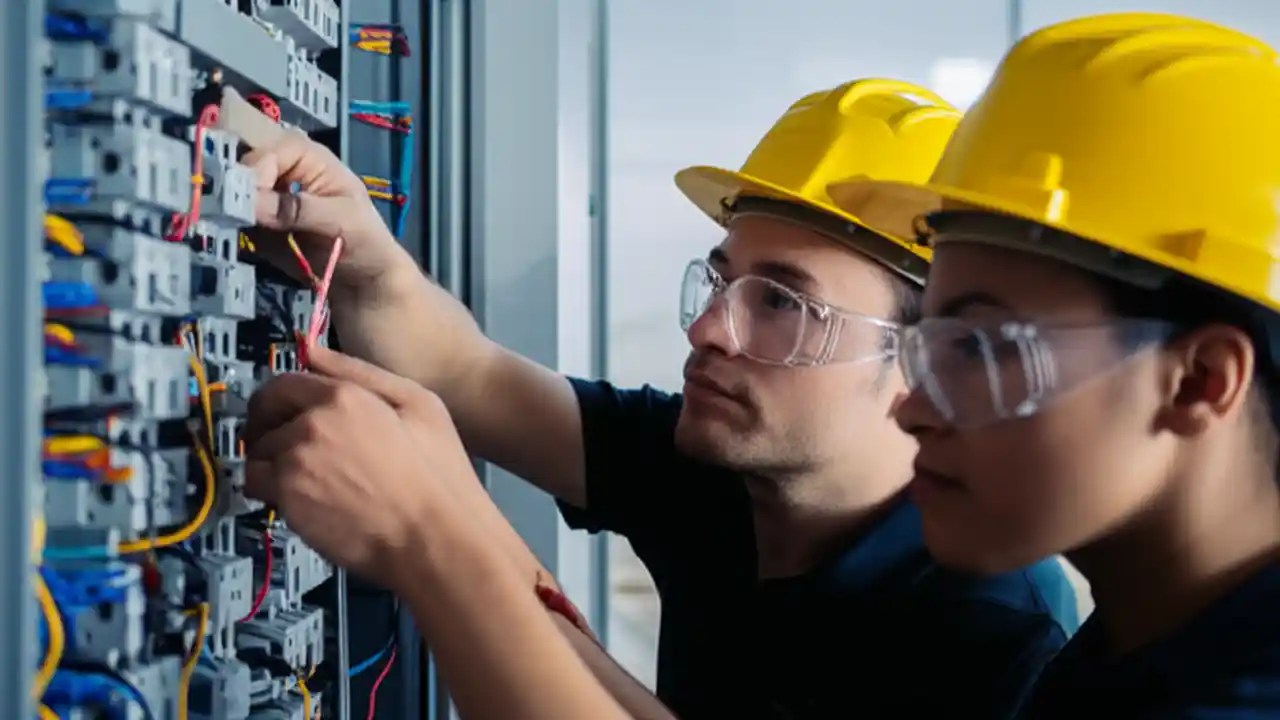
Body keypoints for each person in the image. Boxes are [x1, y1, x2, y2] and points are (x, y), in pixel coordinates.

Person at [243, 78, 1079, 717]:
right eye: (722, 281)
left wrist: (437, 534)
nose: (710, 330)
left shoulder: (993, 633)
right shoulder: (717, 457)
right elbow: (470, 376)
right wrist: (366, 262)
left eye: (783, 304)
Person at [827, 12, 1280, 718]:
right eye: (934, 346)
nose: (911, 407)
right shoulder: (1136, 643)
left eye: (982, 347)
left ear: (1200, 381)